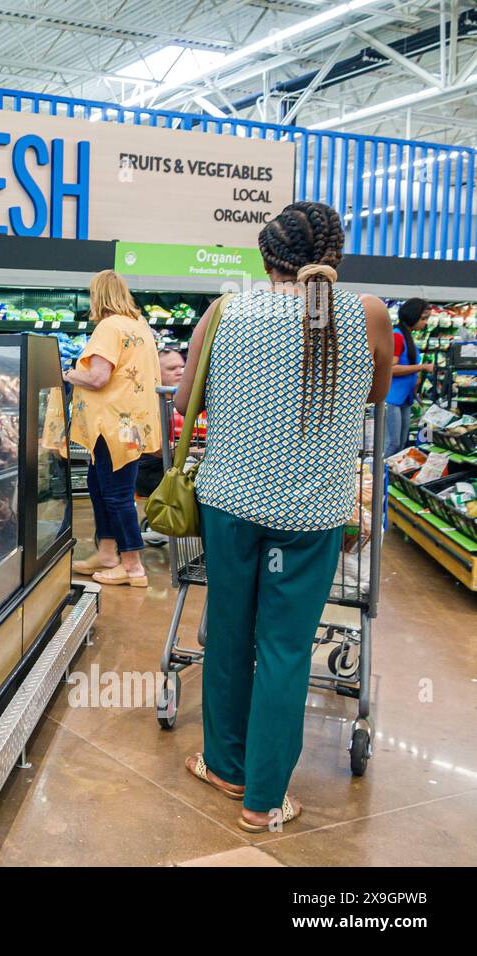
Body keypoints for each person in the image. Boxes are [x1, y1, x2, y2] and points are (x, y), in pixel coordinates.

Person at [177, 201, 393, 832]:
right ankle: (262, 800)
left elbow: (191, 391)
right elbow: (375, 393)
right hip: (312, 510)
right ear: (335, 256)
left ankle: (224, 765)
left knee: (228, 634)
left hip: (230, 503)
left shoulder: (225, 310)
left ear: (264, 255)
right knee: (284, 649)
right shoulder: (369, 314)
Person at [64, 270, 161, 587]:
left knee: (117, 494)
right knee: (99, 485)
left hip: (112, 424)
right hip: (130, 424)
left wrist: (66, 373)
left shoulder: (109, 327)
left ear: (98, 296)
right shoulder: (139, 325)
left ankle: (132, 566)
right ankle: (107, 554)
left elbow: (97, 378)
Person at [135, 347, 186, 545]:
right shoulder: (149, 407)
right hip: (151, 471)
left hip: (171, 465)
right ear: (156, 373)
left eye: (183, 366)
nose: (180, 371)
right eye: (172, 368)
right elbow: (155, 448)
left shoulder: (179, 401)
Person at [383, 298, 433, 458]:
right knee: (393, 443)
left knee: (403, 442)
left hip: (404, 398)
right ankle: (380, 479)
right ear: (413, 316)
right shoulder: (397, 336)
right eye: (423, 318)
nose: (425, 323)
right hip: (392, 399)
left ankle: (392, 478)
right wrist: (422, 367)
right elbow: (390, 368)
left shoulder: (407, 336)